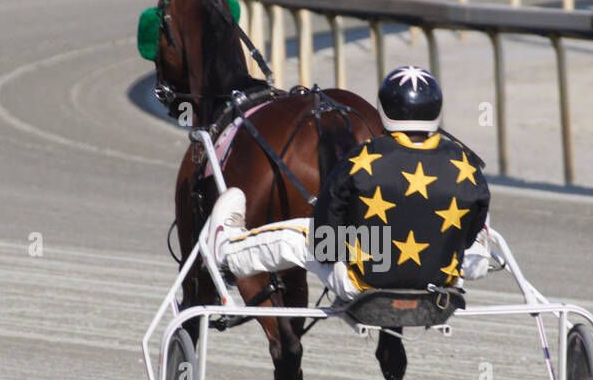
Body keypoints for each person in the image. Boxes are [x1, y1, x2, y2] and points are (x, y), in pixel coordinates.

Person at [207, 66, 494, 297]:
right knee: (471, 234)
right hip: (443, 285)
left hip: (363, 284)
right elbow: (467, 237)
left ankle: (228, 253)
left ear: (383, 109)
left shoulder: (362, 160)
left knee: (297, 235)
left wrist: (365, 242)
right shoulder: (467, 166)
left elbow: (325, 241)